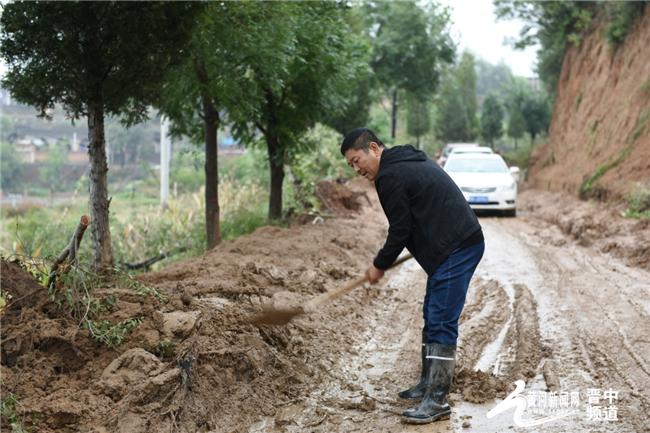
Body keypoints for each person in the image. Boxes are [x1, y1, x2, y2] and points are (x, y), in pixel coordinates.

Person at [340, 128, 484, 424]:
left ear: (373, 148)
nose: (357, 169)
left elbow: (400, 230)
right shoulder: (403, 160)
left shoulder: (390, 177)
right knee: (432, 311)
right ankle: (427, 384)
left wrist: (379, 264)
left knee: (441, 318)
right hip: (452, 243)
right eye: (351, 166)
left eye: (357, 161)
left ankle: (437, 400)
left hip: (457, 246)